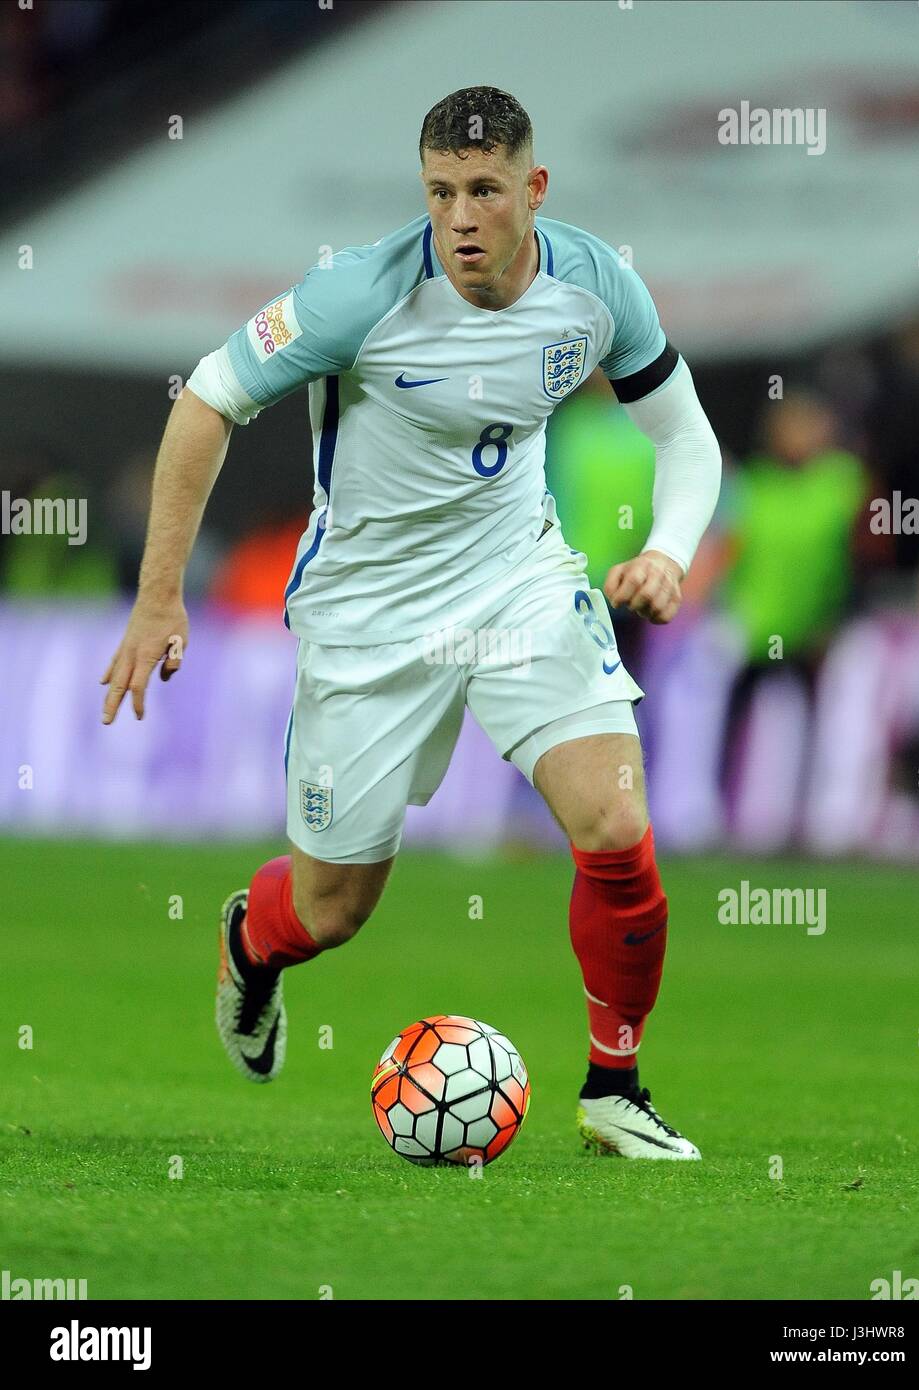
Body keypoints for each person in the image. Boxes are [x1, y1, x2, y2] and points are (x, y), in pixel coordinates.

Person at [101, 87, 721, 1161]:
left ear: (533, 189)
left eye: (484, 190)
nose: (462, 217)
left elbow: (687, 435)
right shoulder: (359, 294)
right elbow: (204, 400)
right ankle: (250, 942)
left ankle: (614, 1086)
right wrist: (160, 595)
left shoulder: (594, 284)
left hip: (517, 579)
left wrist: (666, 549)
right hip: (369, 615)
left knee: (615, 825)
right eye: (441, 193)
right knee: (333, 907)